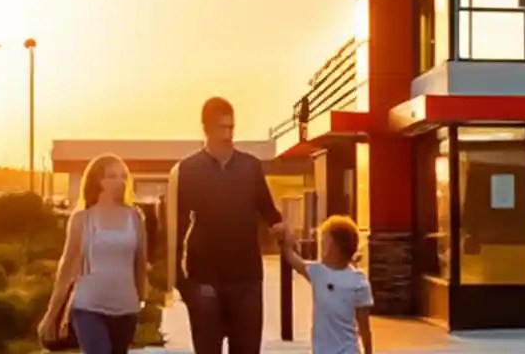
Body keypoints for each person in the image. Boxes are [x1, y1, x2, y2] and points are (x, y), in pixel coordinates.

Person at [167, 97, 285, 354]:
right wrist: (182, 283)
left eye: (231, 128)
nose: (227, 135)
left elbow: (268, 210)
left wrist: (281, 227)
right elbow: (175, 229)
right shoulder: (188, 170)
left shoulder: (250, 167)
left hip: (247, 280)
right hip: (205, 282)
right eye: (221, 128)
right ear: (206, 129)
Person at [38, 154, 148, 354]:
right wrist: (51, 315)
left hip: (125, 309)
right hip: (89, 306)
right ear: (98, 181)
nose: (120, 181)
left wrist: (142, 301)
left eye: (123, 176)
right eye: (112, 176)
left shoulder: (135, 218)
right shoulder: (82, 219)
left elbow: (140, 264)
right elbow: (66, 271)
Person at [280, 216, 374, 354]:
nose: (321, 245)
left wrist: (368, 351)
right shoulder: (318, 272)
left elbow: (365, 328)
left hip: (348, 350)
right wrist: (284, 241)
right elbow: (293, 259)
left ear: (335, 247)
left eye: (324, 241)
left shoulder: (359, 281)